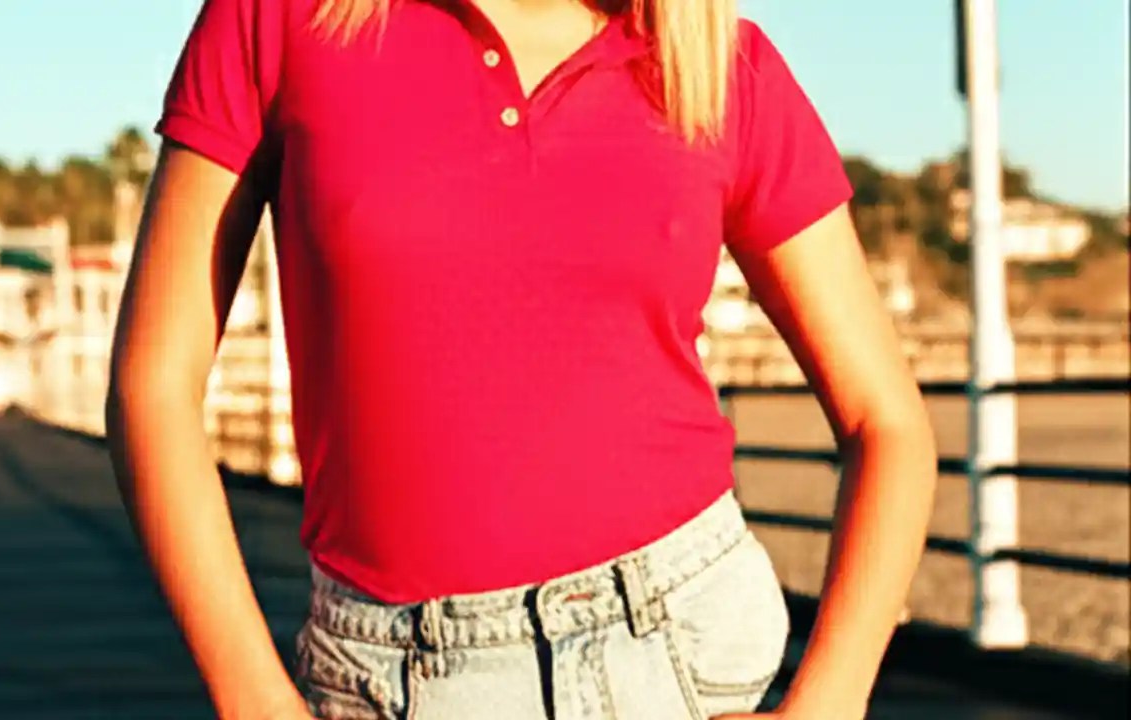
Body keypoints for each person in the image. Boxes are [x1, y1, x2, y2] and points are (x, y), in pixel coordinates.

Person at [105, 0, 938, 717]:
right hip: (386, 669)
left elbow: (886, 422)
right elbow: (154, 386)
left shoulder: (717, 68)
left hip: (672, 647)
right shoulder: (287, 17)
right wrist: (254, 700)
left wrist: (831, 700)